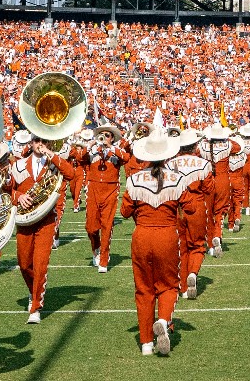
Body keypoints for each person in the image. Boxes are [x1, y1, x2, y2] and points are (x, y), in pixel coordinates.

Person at [124, 128, 188, 356]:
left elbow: (124, 211)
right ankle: (162, 319)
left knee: (143, 289)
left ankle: (146, 344)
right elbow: (189, 207)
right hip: (167, 235)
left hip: (141, 235)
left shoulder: (133, 179)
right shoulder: (177, 178)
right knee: (169, 285)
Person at [8, 128, 77, 324]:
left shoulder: (54, 163)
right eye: (36, 140)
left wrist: (51, 154)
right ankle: (33, 290)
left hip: (47, 220)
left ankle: (36, 307)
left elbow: (71, 174)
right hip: (25, 219)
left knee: (40, 264)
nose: (40, 144)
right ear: (30, 143)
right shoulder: (18, 165)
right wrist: (18, 196)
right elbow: (6, 190)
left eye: (44, 141)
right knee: (24, 263)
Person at [167, 127, 214, 299]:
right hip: (196, 204)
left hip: (177, 206)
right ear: (195, 146)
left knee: (181, 246)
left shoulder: (169, 164)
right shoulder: (204, 163)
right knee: (198, 245)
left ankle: (183, 287)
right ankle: (193, 272)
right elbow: (209, 188)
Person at [82, 125, 124, 272]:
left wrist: (111, 148)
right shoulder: (93, 151)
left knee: (107, 226)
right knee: (91, 228)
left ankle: (104, 260)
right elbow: (80, 158)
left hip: (110, 191)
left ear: (112, 138)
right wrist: (90, 145)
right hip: (93, 189)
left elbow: (127, 158)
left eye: (107, 135)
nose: (104, 137)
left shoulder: (116, 152)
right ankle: (97, 248)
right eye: (102, 135)